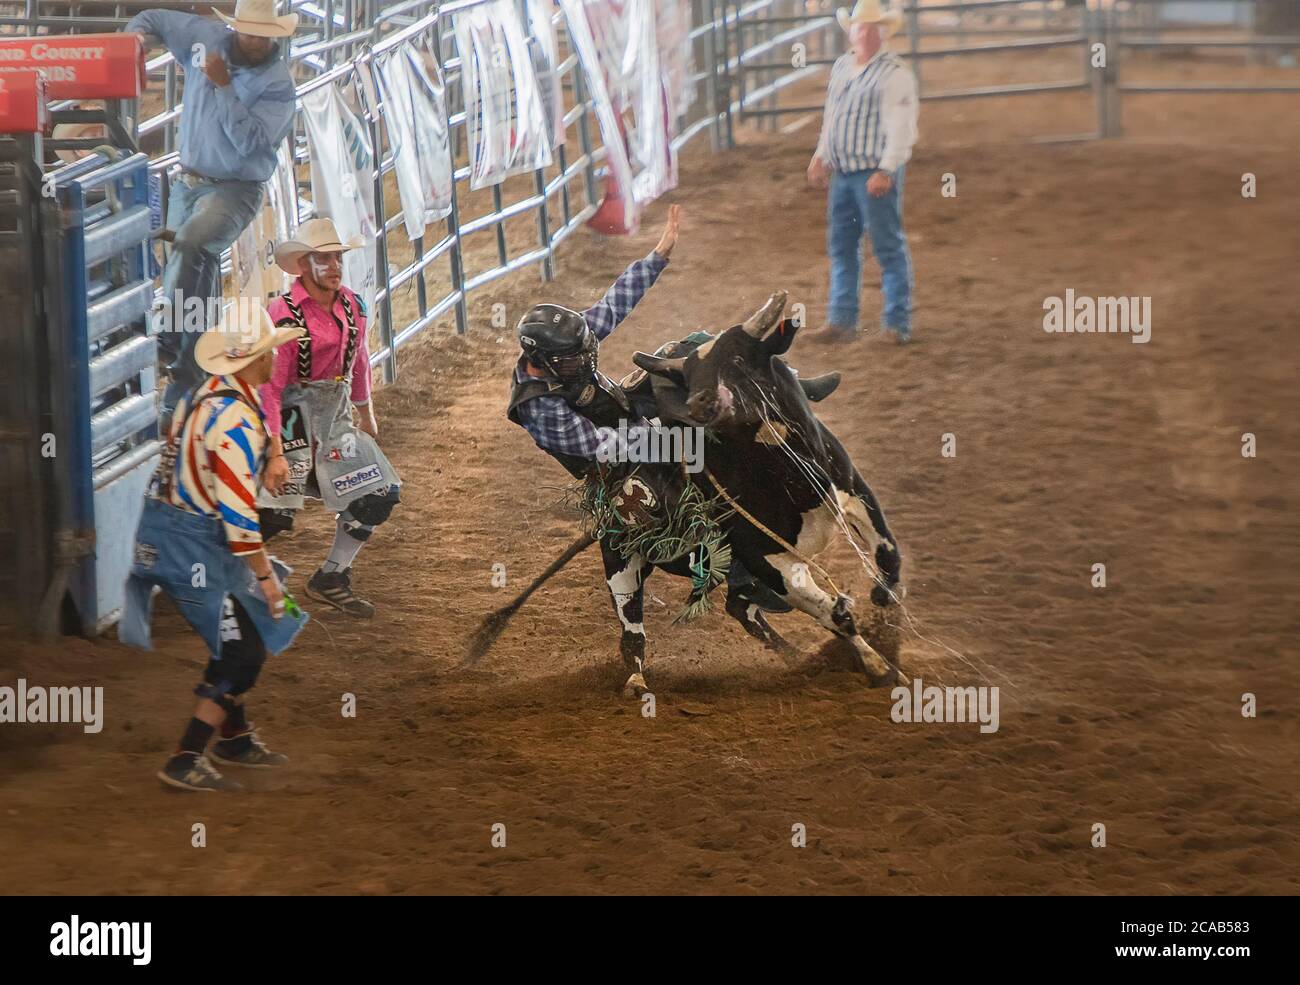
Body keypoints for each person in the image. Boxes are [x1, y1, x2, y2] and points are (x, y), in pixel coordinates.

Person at [119, 301, 308, 792]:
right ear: (251, 361)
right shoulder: (236, 421)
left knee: (239, 635)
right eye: (267, 353)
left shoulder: (204, 395)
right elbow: (240, 519)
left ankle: (235, 737)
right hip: (197, 548)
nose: (273, 360)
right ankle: (184, 757)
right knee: (242, 650)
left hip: (178, 535)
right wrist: (267, 581)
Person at [126, 0, 299, 416]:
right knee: (192, 273)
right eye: (250, 31)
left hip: (237, 188)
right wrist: (132, 43)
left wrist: (223, 87)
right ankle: (187, 385)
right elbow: (152, 18)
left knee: (189, 246)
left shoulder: (278, 86)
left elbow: (252, 144)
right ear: (236, 28)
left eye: (265, 34)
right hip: (189, 182)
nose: (256, 41)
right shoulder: (205, 38)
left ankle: (167, 338)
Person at [259, 218, 401, 618]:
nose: (335, 266)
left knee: (378, 493)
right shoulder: (283, 313)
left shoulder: (354, 305)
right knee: (273, 512)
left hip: (335, 416)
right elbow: (270, 387)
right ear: (303, 265)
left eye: (337, 257)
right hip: (290, 419)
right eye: (324, 259)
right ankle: (231, 573)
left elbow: (358, 361)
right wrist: (275, 451)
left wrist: (366, 414)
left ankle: (332, 575)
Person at [807, 1, 919, 344]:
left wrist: (887, 168)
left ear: (882, 32)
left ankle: (896, 324)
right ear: (851, 30)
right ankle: (841, 320)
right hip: (844, 172)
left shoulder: (894, 72)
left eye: (872, 28)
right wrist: (821, 155)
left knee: (886, 246)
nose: (865, 33)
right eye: (860, 26)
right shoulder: (842, 66)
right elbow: (833, 116)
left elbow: (902, 128)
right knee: (842, 246)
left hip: (873, 174)